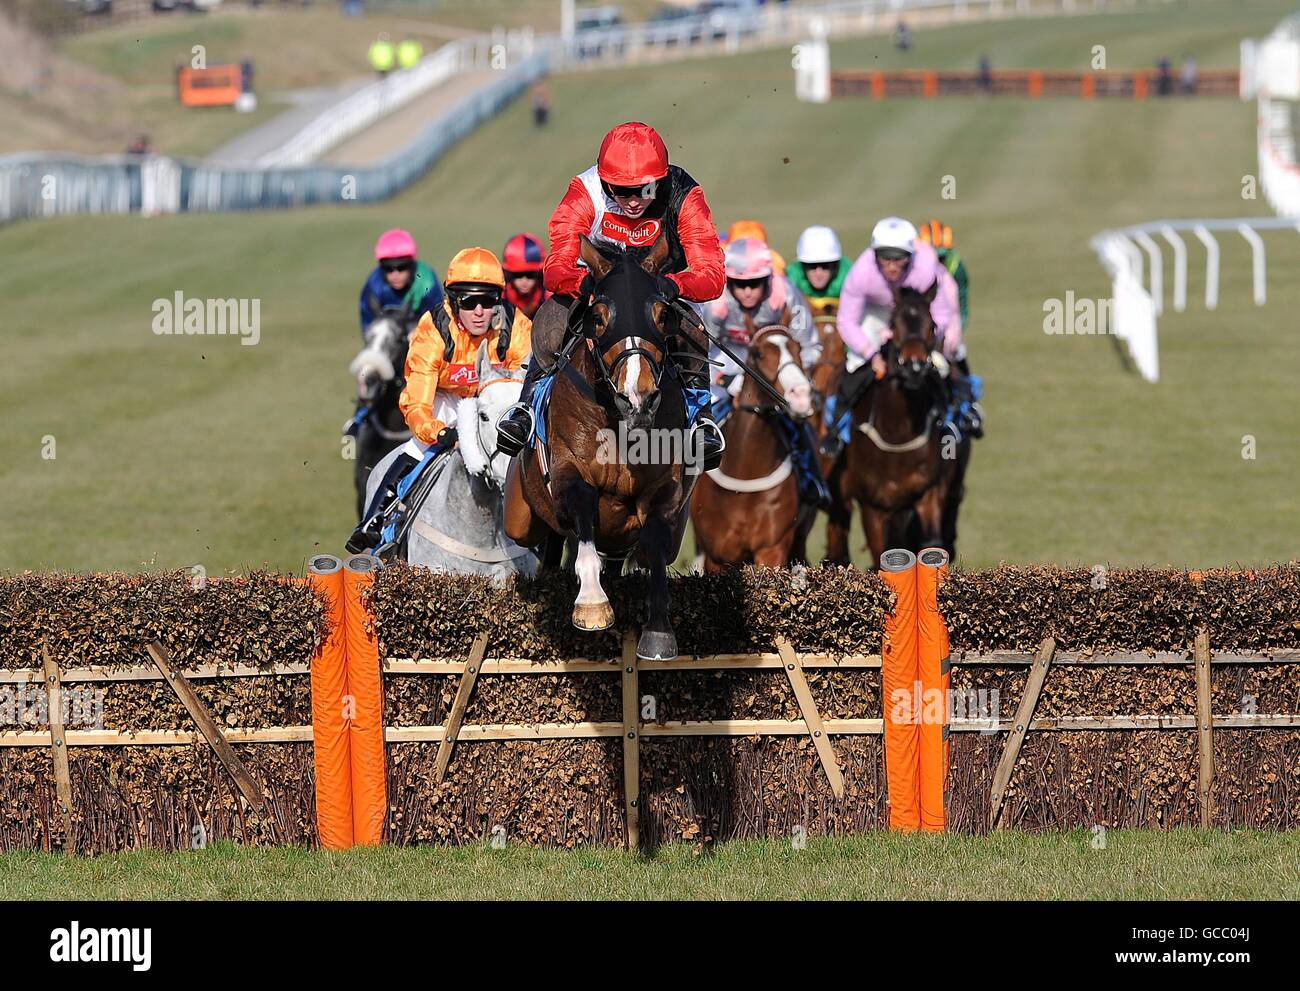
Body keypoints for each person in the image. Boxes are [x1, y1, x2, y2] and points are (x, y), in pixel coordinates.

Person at [495, 121, 726, 470]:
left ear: (661, 181)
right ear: (604, 181)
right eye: (620, 190)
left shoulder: (685, 194)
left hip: (659, 290)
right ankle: (526, 407)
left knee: (691, 324)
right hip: (598, 288)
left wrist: (675, 286)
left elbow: (712, 274)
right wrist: (584, 286)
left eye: (644, 190)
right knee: (554, 314)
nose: (633, 201)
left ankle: (700, 418)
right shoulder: (583, 192)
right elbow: (556, 267)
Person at [346, 248, 532, 553]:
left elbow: (526, 385)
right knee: (417, 449)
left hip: (495, 403)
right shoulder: (432, 330)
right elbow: (416, 401)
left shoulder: (516, 326)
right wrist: (439, 432)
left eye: (488, 301)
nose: (479, 311)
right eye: (469, 302)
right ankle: (376, 521)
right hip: (445, 401)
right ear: (453, 301)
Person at [821, 216, 981, 459]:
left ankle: (966, 409)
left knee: (948, 355)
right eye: (885, 258)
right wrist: (871, 354)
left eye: (899, 259)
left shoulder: (925, 269)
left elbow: (940, 312)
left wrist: (929, 344)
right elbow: (846, 321)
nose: (892, 266)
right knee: (855, 368)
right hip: (876, 313)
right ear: (875, 255)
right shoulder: (861, 273)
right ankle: (836, 428)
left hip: (916, 314)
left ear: (911, 256)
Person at [704, 237, 829, 508]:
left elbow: (810, 345)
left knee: (799, 421)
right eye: (739, 284)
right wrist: (726, 380)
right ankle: (679, 485)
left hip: (774, 369)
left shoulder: (785, 295)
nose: (748, 291)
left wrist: (793, 376)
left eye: (755, 283)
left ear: (767, 279)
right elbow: (698, 351)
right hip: (723, 364)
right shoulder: (715, 301)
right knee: (698, 420)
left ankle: (812, 479)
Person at [358, 229, 444, 337]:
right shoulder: (374, 286)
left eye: (402, 267)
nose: (395, 274)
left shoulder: (426, 282)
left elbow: (438, 321)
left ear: (412, 265)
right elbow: (368, 324)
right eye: (388, 268)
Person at [787, 224, 850, 323]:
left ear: (835, 265)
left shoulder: (851, 278)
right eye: (812, 266)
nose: (818, 273)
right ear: (802, 265)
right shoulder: (789, 281)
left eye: (825, 266)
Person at [502, 232, 550, 319]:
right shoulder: (500, 291)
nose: (524, 281)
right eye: (518, 275)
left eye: (530, 275)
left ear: (539, 274)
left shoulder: (548, 292)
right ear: (508, 273)